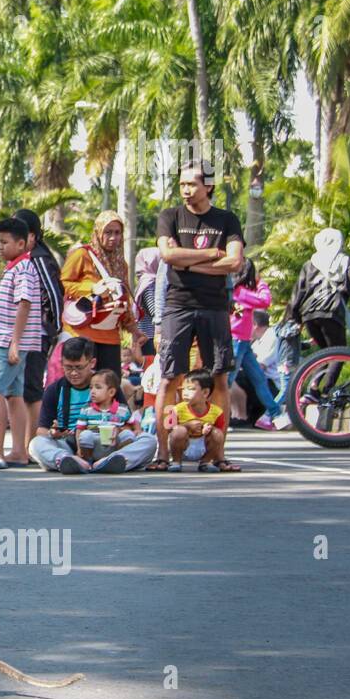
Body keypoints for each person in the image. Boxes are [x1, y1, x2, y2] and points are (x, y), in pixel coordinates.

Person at [150, 161, 244, 472]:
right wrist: (210, 255)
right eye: (182, 185)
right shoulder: (170, 217)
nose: (186, 190)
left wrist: (186, 261)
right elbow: (167, 255)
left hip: (214, 306)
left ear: (209, 186)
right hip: (177, 305)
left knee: (219, 378)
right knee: (169, 378)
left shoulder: (226, 220)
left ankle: (217, 454)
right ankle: (163, 454)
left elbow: (234, 263)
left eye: (192, 184)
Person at [29, 336, 157, 473]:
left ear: (92, 363)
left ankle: (114, 460)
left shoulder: (107, 385)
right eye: (68, 367)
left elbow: (127, 422)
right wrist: (54, 433)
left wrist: (120, 430)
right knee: (36, 444)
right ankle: (66, 460)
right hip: (71, 445)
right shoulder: (55, 390)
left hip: (110, 442)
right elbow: (41, 430)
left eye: (79, 367)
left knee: (149, 440)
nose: (73, 373)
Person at [0, 217, 41, 469]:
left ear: (21, 243)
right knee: (13, 395)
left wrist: (15, 343)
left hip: (9, 342)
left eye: (4, 242)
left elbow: (24, 303)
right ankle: (18, 451)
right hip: (6, 340)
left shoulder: (24, 268)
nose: (0, 247)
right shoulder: (14, 267)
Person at [285, 227, 350, 400]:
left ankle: (312, 390)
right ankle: (324, 390)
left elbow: (297, 294)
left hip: (309, 314)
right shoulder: (344, 261)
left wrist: (294, 319)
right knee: (339, 353)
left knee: (325, 352)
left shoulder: (309, 264)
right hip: (331, 312)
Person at [59, 210, 138, 382]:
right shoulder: (82, 255)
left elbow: (124, 296)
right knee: (83, 383)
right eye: (108, 232)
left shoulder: (120, 264)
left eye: (117, 233)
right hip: (83, 331)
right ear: (98, 233)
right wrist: (93, 288)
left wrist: (133, 328)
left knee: (110, 384)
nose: (113, 238)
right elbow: (64, 283)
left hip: (110, 333)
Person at [11, 208, 65, 455]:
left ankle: (32, 445)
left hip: (38, 333)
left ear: (32, 236)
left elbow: (54, 295)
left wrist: (53, 328)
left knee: (31, 389)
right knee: (22, 389)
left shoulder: (39, 258)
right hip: (27, 333)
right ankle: (24, 444)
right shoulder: (26, 259)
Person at [230, 258, 288, 430]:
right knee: (227, 381)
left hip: (244, 342)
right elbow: (265, 301)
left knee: (259, 379)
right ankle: (214, 415)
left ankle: (276, 414)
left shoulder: (239, 291)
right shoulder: (240, 292)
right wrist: (261, 283)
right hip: (237, 340)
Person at [166, 368, 227, 471]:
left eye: (191, 389)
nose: (185, 392)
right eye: (184, 389)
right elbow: (169, 429)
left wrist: (209, 430)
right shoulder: (177, 409)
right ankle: (176, 461)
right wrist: (186, 426)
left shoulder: (217, 412)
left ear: (205, 392)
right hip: (183, 446)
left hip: (203, 446)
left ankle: (206, 462)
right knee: (178, 431)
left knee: (218, 434)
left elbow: (219, 435)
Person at [73, 369, 141, 463]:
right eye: (91, 387)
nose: (92, 391)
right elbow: (79, 429)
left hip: (114, 444)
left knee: (128, 435)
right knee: (85, 435)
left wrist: (137, 430)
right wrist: (79, 448)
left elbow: (134, 423)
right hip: (95, 445)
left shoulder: (122, 410)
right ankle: (87, 460)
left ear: (111, 392)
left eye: (98, 387)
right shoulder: (87, 409)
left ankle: (119, 458)